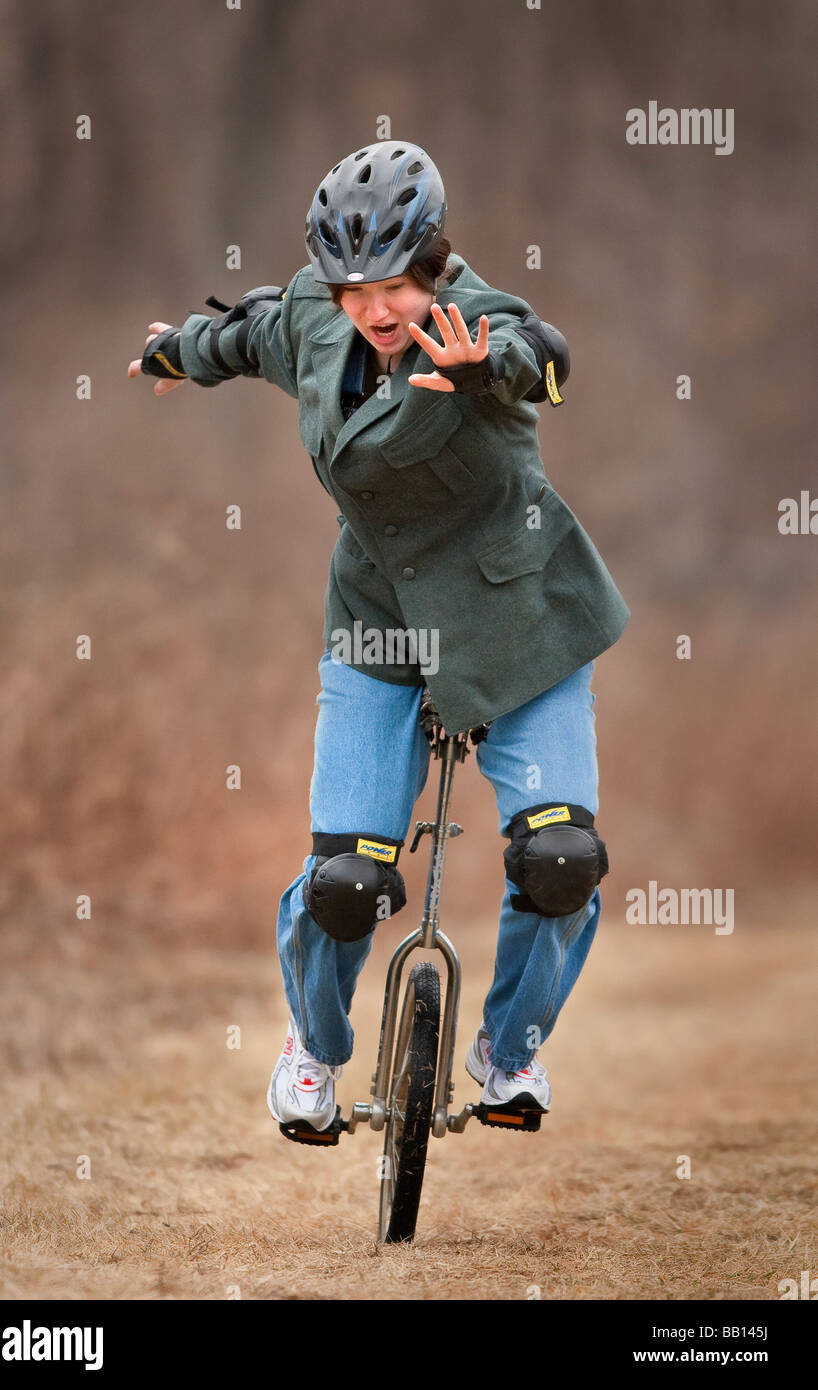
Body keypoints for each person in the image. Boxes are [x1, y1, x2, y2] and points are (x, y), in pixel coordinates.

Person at [129, 140, 629, 1135]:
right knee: (346, 883)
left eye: (392, 284)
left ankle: (508, 1050)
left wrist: (486, 365)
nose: (373, 309)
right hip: (380, 625)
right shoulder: (317, 319)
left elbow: (547, 362)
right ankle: (312, 1046)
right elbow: (252, 334)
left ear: (432, 264)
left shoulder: (473, 323)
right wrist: (177, 352)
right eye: (353, 288)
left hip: (517, 616)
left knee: (561, 858)